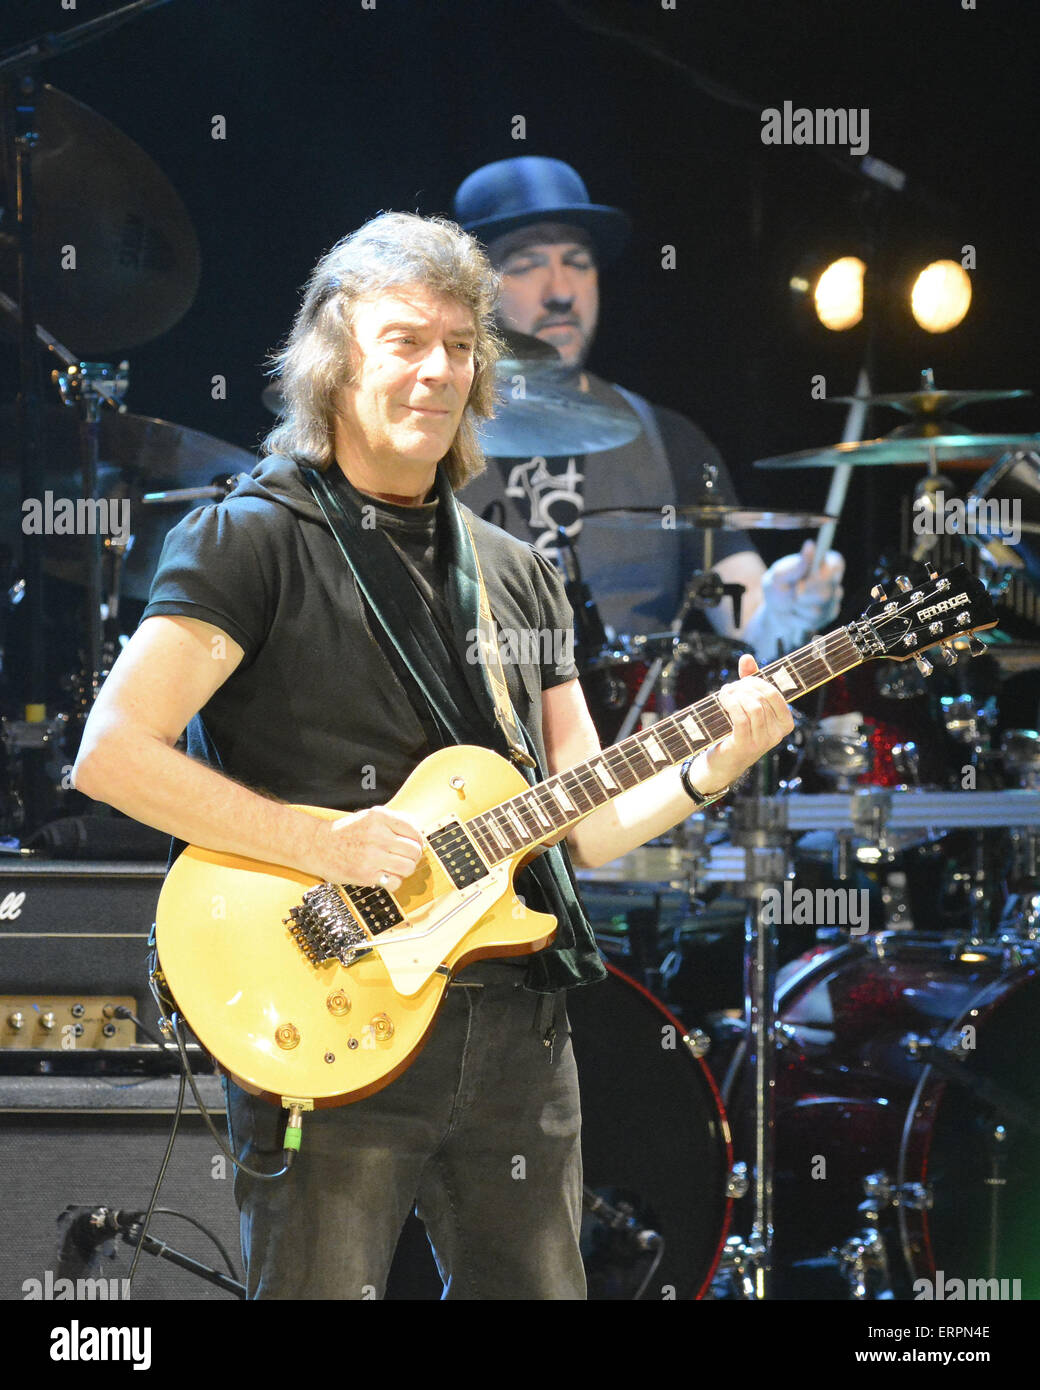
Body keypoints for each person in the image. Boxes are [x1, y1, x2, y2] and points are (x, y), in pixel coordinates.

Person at [72, 211, 794, 1300]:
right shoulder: (248, 537)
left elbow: (590, 822)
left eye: (460, 346)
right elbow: (112, 754)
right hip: (330, 1006)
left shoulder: (514, 571)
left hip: (514, 1025)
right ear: (334, 359)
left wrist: (711, 767)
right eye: (405, 341)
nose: (440, 370)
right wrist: (322, 843)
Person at [452, 156, 845, 662]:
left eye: (577, 262)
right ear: (473, 292)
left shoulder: (669, 438)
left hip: (645, 713)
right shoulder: (429, 438)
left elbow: (754, 629)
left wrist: (789, 610)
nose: (561, 292)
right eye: (526, 265)